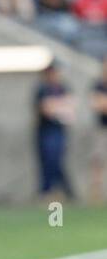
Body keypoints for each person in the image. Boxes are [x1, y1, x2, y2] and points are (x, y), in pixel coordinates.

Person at [34, 63, 75, 198]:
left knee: (57, 160)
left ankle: (62, 191)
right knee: (48, 160)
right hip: (46, 130)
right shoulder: (42, 89)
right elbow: (45, 109)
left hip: (59, 130)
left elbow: (70, 110)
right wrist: (59, 107)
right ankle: (48, 190)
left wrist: (55, 106)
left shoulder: (63, 88)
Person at [91, 59, 107, 202]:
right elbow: (98, 105)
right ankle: (97, 194)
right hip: (102, 129)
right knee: (98, 160)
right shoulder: (99, 85)